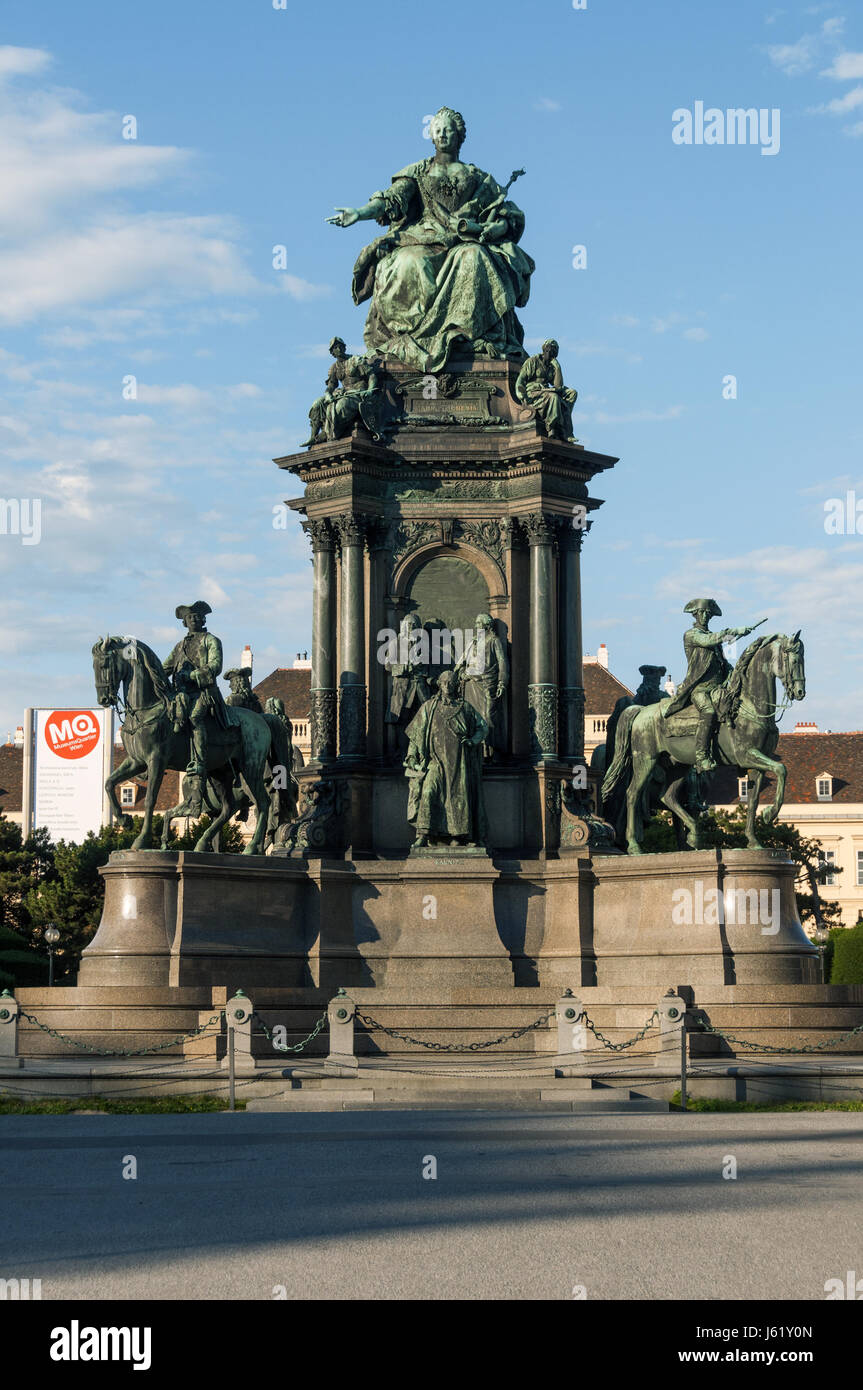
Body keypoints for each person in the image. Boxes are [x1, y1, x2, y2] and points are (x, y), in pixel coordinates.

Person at [326, 107, 534, 371]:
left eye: (448, 129)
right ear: (431, 136)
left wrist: (493, 229)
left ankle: (463, 336)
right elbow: (391, 199)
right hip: (421, 239)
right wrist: (359, 213)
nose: (443, 134)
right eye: (437, 129)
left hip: (462, 242)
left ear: (460, 136)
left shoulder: (478, 177)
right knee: (408, 262)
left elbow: (507, 216)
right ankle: (413, 338)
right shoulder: (418, 172)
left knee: (475, 257)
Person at [662, 599, 762, 772]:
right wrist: (736, 631)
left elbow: (722, 662)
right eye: (703, 613)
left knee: (736, 708)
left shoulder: (713, 640)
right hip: (699, 688)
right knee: (708, 711)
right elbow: (710, 640)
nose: (705, 616)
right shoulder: (692, 635)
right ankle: (701, 756)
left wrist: (735, 672)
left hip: (717, 688)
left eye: (708, 614)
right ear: (696, 614)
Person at [404, 669, 489, 847]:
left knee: (458, 799)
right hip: (434, 762)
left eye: (451, 682)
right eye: (444, 682)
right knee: (428, 793)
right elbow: (416, 734)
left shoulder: (465, 707)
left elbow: (483, 727)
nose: (448, 685)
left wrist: (473, 741)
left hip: (459, 763)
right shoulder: (429, 707)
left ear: (457, 685)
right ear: (440, 685)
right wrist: (412, 755)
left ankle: (458, 836)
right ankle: (423, 835)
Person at [163, 601, 228, 814]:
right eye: (191, 617)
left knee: (194, 718)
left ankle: (198, 764)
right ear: (185, 622)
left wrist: (191, 675)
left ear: (204, 619)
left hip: (204, 693)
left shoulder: (211, 641)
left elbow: (215, 667)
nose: (195, 620)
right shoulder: (180, 646)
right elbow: (166, 667)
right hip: (181, 694)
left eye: (198, 616)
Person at [515, 339, 578, 441]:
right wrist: (521, 395)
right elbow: (520, 381)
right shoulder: (533, 361)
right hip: (533, 393)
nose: (550, 353)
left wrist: (557, 367)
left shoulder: (552, 366)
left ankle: (564, 423)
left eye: (553, 352)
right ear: (544, 349)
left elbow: (558, 386)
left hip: (545, 391)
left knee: (572, 393)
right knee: (554, 397)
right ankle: (552, 428)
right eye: (548, 350)